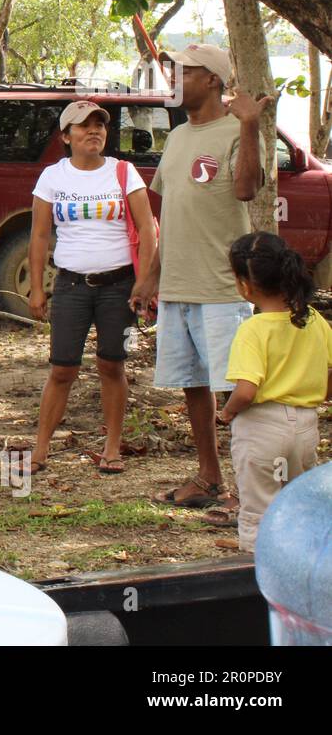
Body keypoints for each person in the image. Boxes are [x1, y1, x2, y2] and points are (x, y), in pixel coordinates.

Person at [130, 44, 269, 507]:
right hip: (177, 286)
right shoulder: (176, 138)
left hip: (222, 287)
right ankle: (211, 479)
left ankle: (252, 491)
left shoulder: (238, 129)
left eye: (184, 72)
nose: (174, 79)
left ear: (212, 79)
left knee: (237, 387)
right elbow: (172, 211)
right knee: (193, 385)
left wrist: (250, 125)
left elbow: (248, 189)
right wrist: (152, 276)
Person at [29, 101, 157, 474]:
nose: (94, 131)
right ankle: (40, 451)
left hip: (119, 287)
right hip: (70, 286)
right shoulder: (53, 177)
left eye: (99, 125)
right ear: (66, 136)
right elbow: (38, 236)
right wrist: (37, 288)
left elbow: (147, 230)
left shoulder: (123, 172)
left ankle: (112, 448)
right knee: (62, 369)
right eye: (83, 126)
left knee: (112, 365)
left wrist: (145, 284)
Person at [219, 233, 328, 549]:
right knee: (300, 501)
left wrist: (226, 413)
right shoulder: (313, 319)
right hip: (306, 426)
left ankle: (255, 568)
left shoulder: (252, 330)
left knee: (259, 506)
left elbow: (246, 391)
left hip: (261, 426)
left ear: (245, 286)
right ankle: (298, 561)